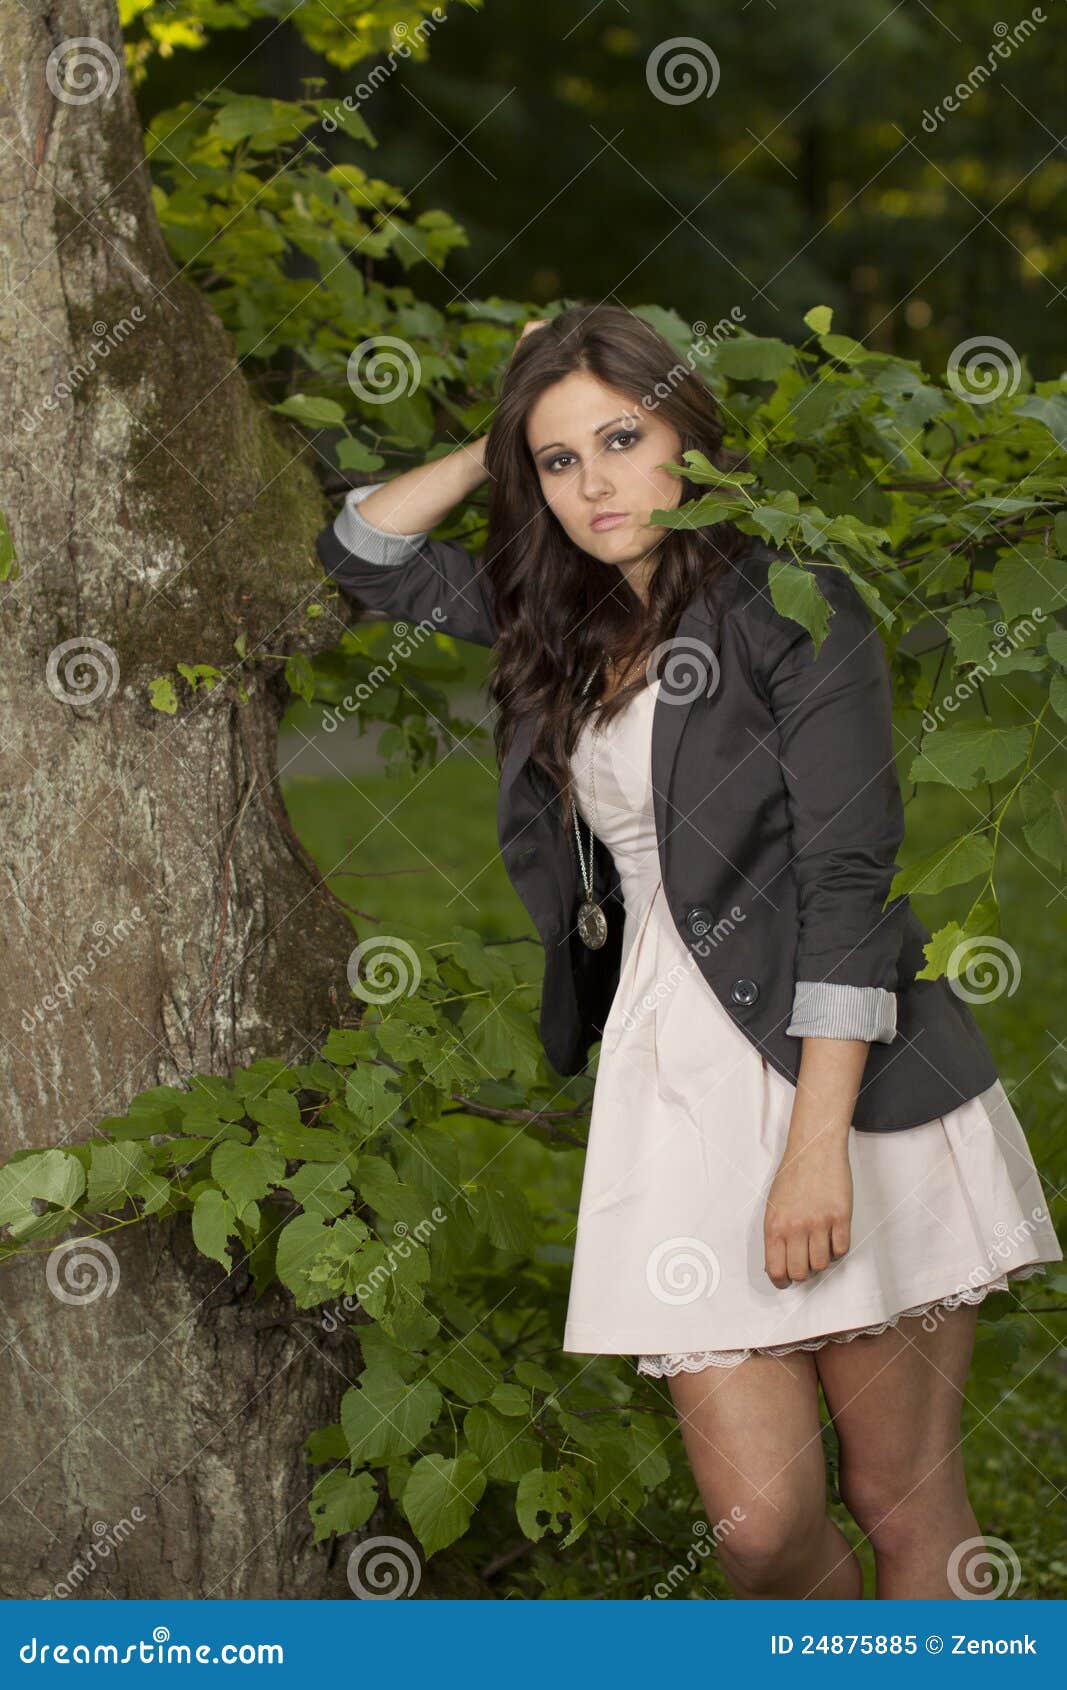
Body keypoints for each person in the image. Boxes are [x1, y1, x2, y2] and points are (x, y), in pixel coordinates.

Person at [315, 303, 1062, 1599]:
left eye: (622, 436)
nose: (595, 483)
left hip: (852, 1078)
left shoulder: (796, 604)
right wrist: (505, 418)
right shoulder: (558, 622)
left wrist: (814, 1147)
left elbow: (850, 882)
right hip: (673, 1079)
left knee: (902, 1497)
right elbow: (364, 548)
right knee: (763, 1530)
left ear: (690, 434)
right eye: (558, 461)